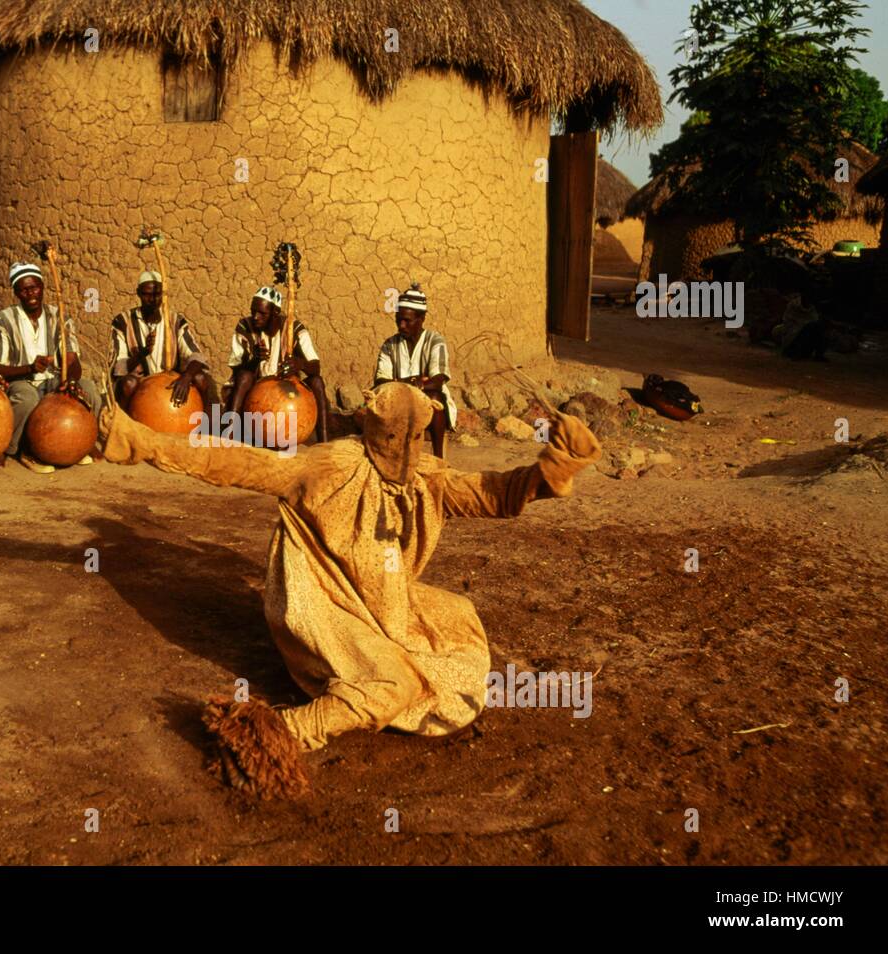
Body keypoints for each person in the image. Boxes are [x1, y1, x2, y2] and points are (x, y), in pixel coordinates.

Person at [100, 381, 601, 798]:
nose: (404, 449)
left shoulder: (429, 477)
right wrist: (142, 440)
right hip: (319, 598)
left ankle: (369, 674)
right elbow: (236, 463)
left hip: (385, 600)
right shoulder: (329, 466)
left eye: (414, 438)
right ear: (371, 428)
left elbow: (495, 493)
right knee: (396, 685)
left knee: (456, 622)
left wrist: (550, 471)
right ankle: (279, 731)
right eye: (394, 437)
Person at [0, 261, 101, 474]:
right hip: (20, 381)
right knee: (27, 398)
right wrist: (29, 368)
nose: (31, 294)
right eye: (24, 289)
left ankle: (83, 442)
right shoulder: (3, 321)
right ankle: (18, 449)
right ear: (16, 292)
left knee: (90, 390)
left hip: (54, 379)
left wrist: (71, 381)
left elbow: (72, 360)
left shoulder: (60, 317)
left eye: (35, 287)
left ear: (43, 287)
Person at [225, 285, 329, 443]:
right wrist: (255, 359)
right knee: (244, 376)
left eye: (262, 313)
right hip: (255, 390)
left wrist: (299, 364)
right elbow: (237, 367)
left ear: (275, 313)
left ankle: (324, 440)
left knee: (317, 382)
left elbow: (316, 367)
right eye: (253, 311)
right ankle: (229, 436)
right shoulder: (245, 326)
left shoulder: (293, 329)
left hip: (286, 390)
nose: (255, 317)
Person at [374, 284, 459, 457]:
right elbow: (381, 381)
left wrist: (402, 383)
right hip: (397, 401)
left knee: (435, 399)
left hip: (427, 400)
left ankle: (438, 459)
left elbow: (438, 380)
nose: (401, 325)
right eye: (399, 320)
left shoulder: (435, 341)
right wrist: (414, 382)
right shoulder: (390, 345)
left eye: (407, 320)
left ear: (421, 319)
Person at [110, 270, 212, 410]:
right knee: (128, 384)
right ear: (138, 293)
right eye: (147, 294)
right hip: (142, 383)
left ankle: (205, 425)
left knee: (200, 379)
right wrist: (142, 353)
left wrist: (186, 377)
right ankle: (121, 425)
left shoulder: (175, 321)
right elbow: (118, 368)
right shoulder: (123, 322)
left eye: (157, 294)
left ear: (162, 295)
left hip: (171, 380)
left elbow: (196, 355)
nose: (152, 299)